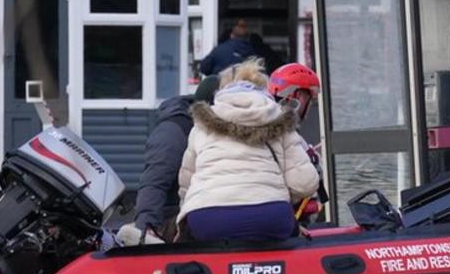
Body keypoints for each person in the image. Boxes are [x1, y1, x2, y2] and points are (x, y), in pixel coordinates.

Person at [177, 58, 320, 241]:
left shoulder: (201, 125)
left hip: (207, 218)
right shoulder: (280, 119)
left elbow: (186, 184)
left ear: (221, 89)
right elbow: (305, 183)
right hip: (270, 216)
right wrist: (278, 192)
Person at [115, 76, 220, 246]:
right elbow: (154, 182)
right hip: (171, 218)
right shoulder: (174, 131)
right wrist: (146, 227)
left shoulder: (210, 130)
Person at [269, 63, 325, 222]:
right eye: (310, 99)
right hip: (285, 217)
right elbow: (304, 184)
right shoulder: (287, 133)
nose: (310, 105)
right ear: (299, 96)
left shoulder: (263, 123)